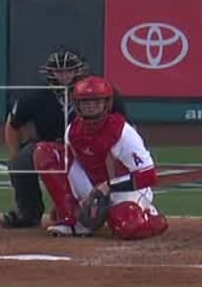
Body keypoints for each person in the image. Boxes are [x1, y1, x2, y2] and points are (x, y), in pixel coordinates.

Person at [0, 50, 129, 230]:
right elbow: (13, 123)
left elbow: (124, 126)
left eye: (68, 71)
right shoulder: (35, 95)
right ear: (49, 73)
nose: (64, 76)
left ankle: (108, 207)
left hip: (92, 147)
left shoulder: (101, 90)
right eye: (59, 72)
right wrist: (14, 154)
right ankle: (29, 213)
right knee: (21, 161)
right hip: (48, 147)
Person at [33, 77, 170, 240]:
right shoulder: (72, 131)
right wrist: (66, 201)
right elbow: (69, 166)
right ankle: (70, 218)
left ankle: (153, 217)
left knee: (128, 227)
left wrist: (109, 186)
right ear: (77, 104)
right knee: (45, 151)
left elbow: (148, 176)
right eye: (85, 102)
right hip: (94, 186)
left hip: (125, 189)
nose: (91, 107)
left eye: (96, 102)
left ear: (107, 104)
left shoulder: (123, 133)